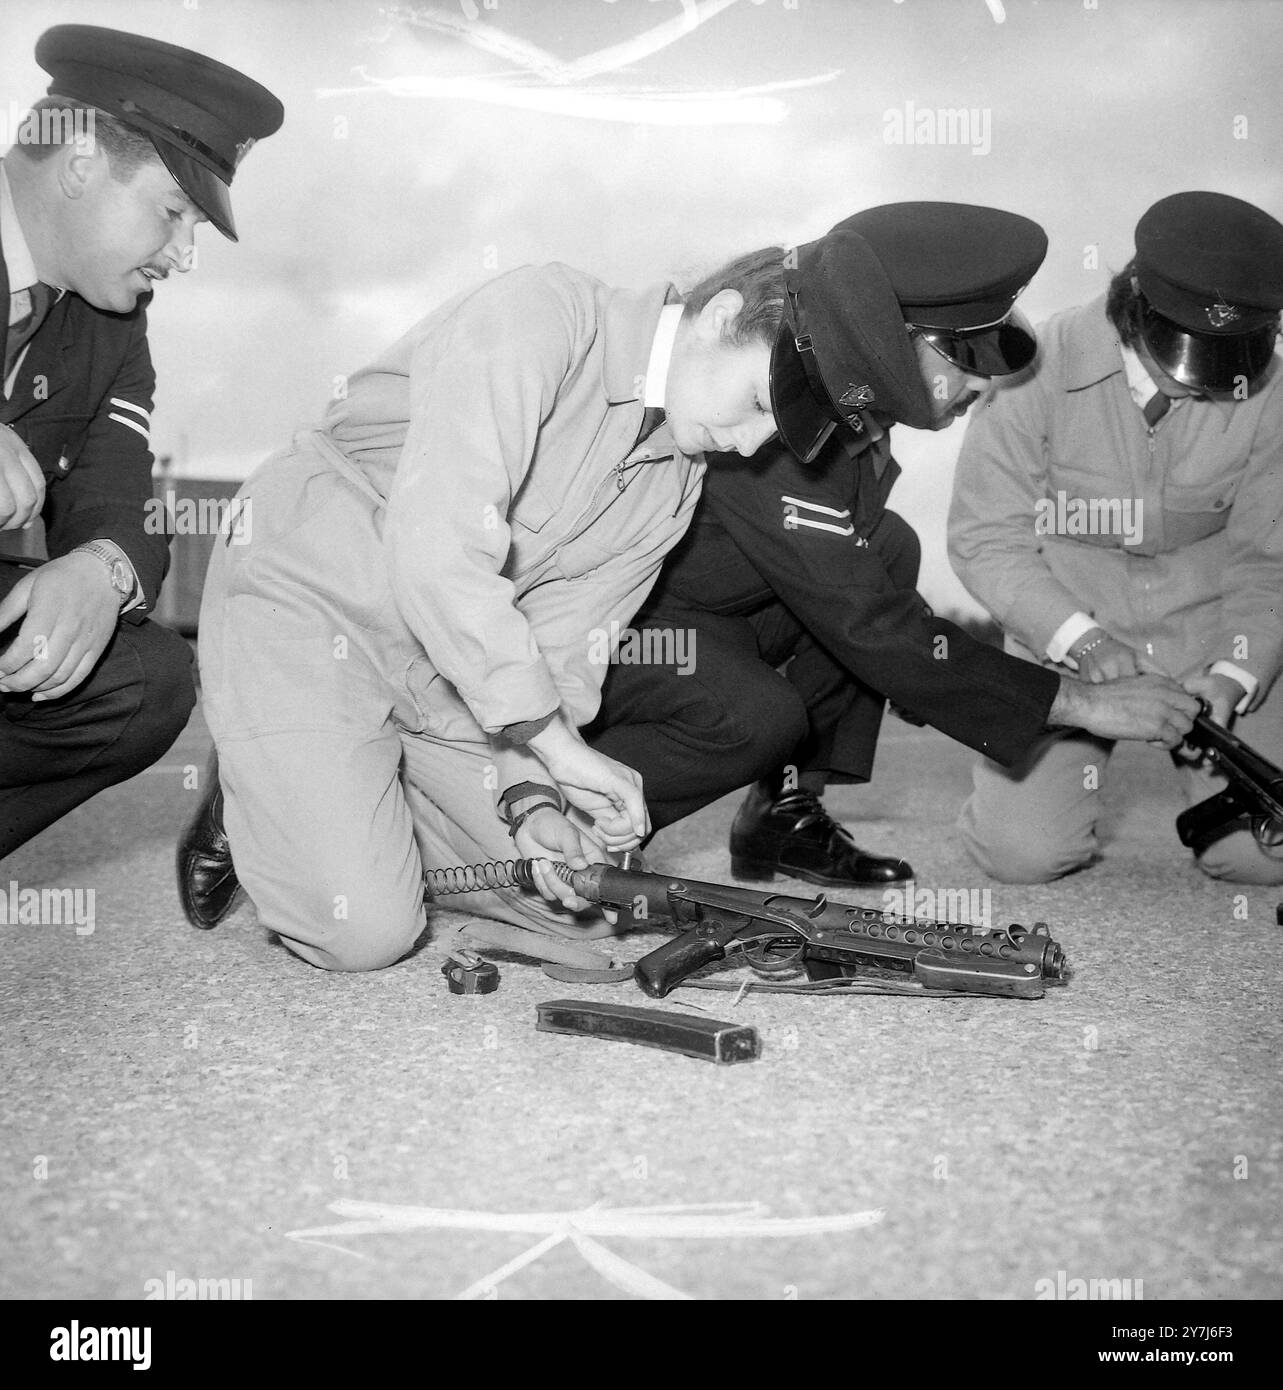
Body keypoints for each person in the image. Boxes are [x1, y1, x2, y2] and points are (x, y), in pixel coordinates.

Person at [177, 225, 916, 971]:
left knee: (577, 907)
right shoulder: (540, 314)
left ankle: (320, 796)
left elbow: (563, 647)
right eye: (759, 401)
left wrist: (533, 795)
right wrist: (559, 749)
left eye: (776, 436)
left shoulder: (673, 481)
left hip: (448, 672)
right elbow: (439, 546)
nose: (752, 446)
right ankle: (279, 784)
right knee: (366, 933)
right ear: (721, 315)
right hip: (307, 603)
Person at [584, 202, 1200, 887]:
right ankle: (574, 828)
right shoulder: (778, 400)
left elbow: (863, 599)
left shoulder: (851, 411)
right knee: (755, 714)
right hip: (628, 634)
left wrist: (930, 677)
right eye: (964, 357)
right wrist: (1082, 703)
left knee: (888, 545)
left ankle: (784, 813)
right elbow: (866, 620)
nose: (981, 384)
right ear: (885, 338)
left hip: (722, 611)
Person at [0, 25, 283, 857]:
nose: (184, 256)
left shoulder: (108, 320)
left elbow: (119, 491)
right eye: (172, 213)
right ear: (80, 162)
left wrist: (100, 567)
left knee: (144, 681)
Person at [948, 191, 1283, 884]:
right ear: (1132, 307)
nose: (1207, 391)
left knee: (1262, 856)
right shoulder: (1033, 367)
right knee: (1020, 857)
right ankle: (1011, 797)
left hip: (1210, 637)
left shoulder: (1273, 386)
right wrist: (1082, 641)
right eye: (1190, 360)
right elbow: (986, 537)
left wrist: (1235, 673)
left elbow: (1267, 558)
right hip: (1069, 643)